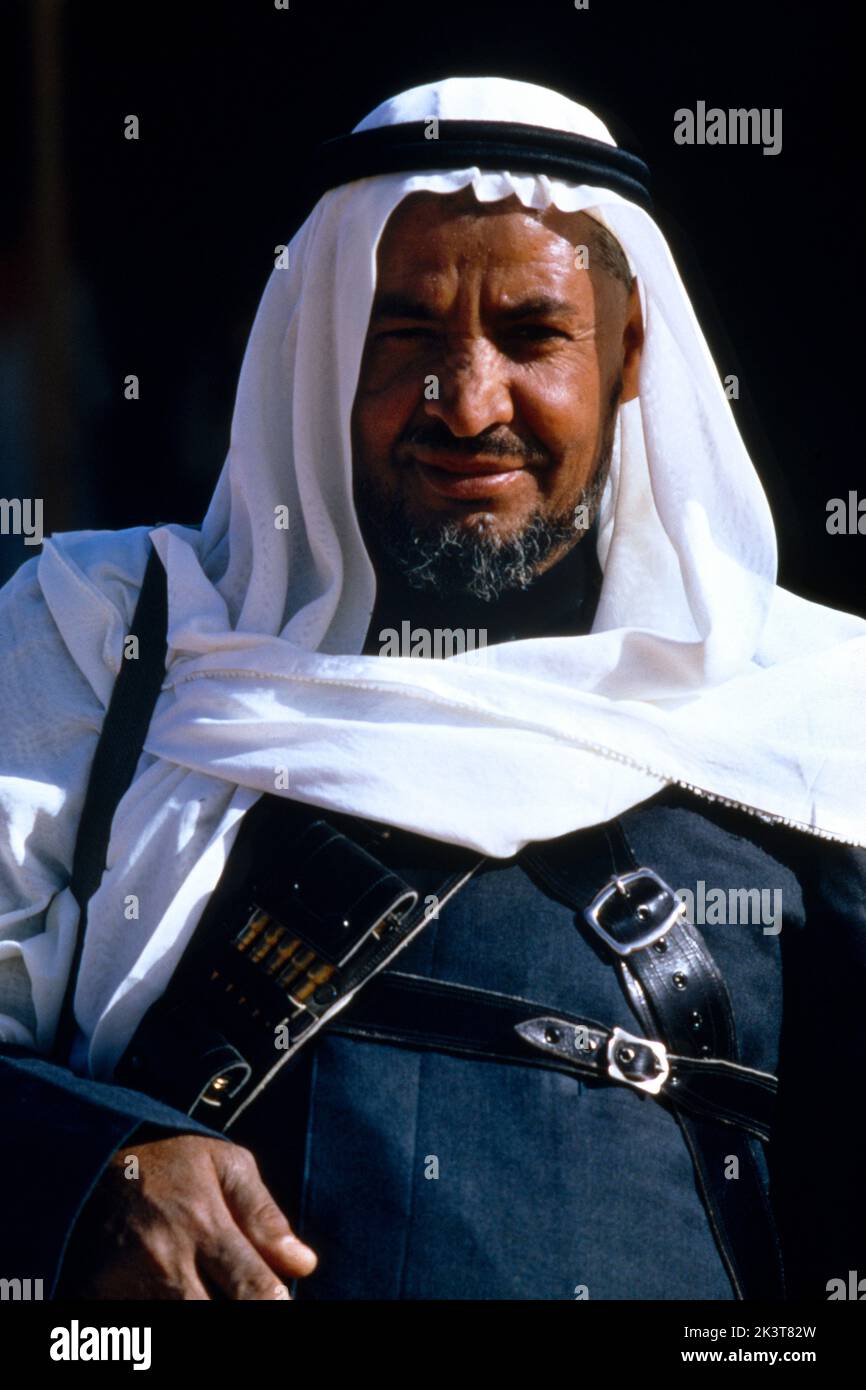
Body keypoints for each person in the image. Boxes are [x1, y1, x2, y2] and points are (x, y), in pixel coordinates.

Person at [1, 76, 864, 1303]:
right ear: (318, 355)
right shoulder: (113, 639)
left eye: (530, 335)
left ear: (627, 359)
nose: (466, 405)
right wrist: (102, 1168)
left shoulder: (813, 723)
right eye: (403, 336)